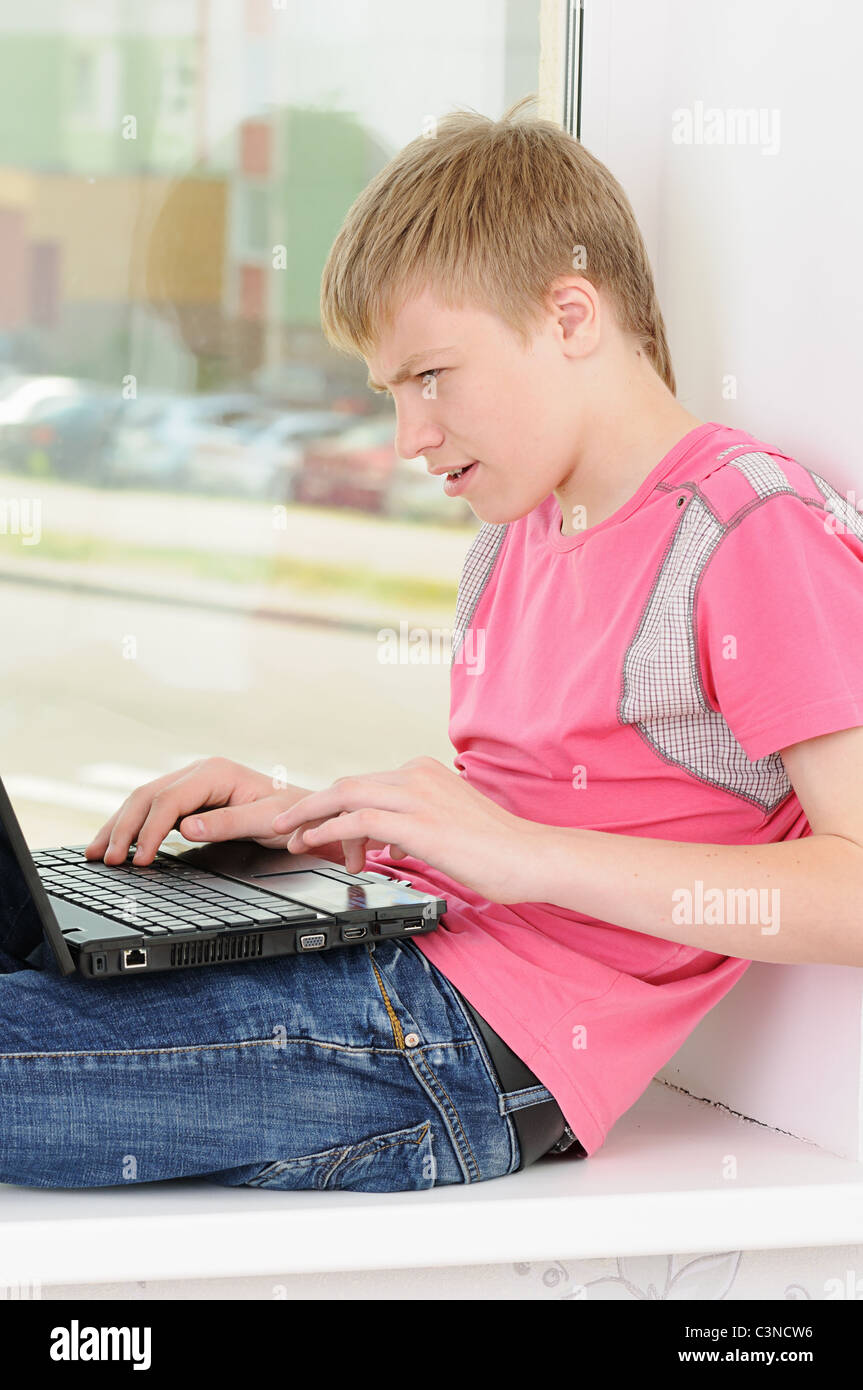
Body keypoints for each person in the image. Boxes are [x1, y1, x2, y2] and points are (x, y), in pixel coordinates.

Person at [3, 98, 863, 1192]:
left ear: (568, 315)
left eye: (429, 377)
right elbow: (505, 831)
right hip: (399, 965)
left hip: (462, 1047)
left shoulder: (747, 528)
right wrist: (311, 831)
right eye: (390, 392)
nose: (408, 438)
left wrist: (518, 853)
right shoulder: (515, 539)